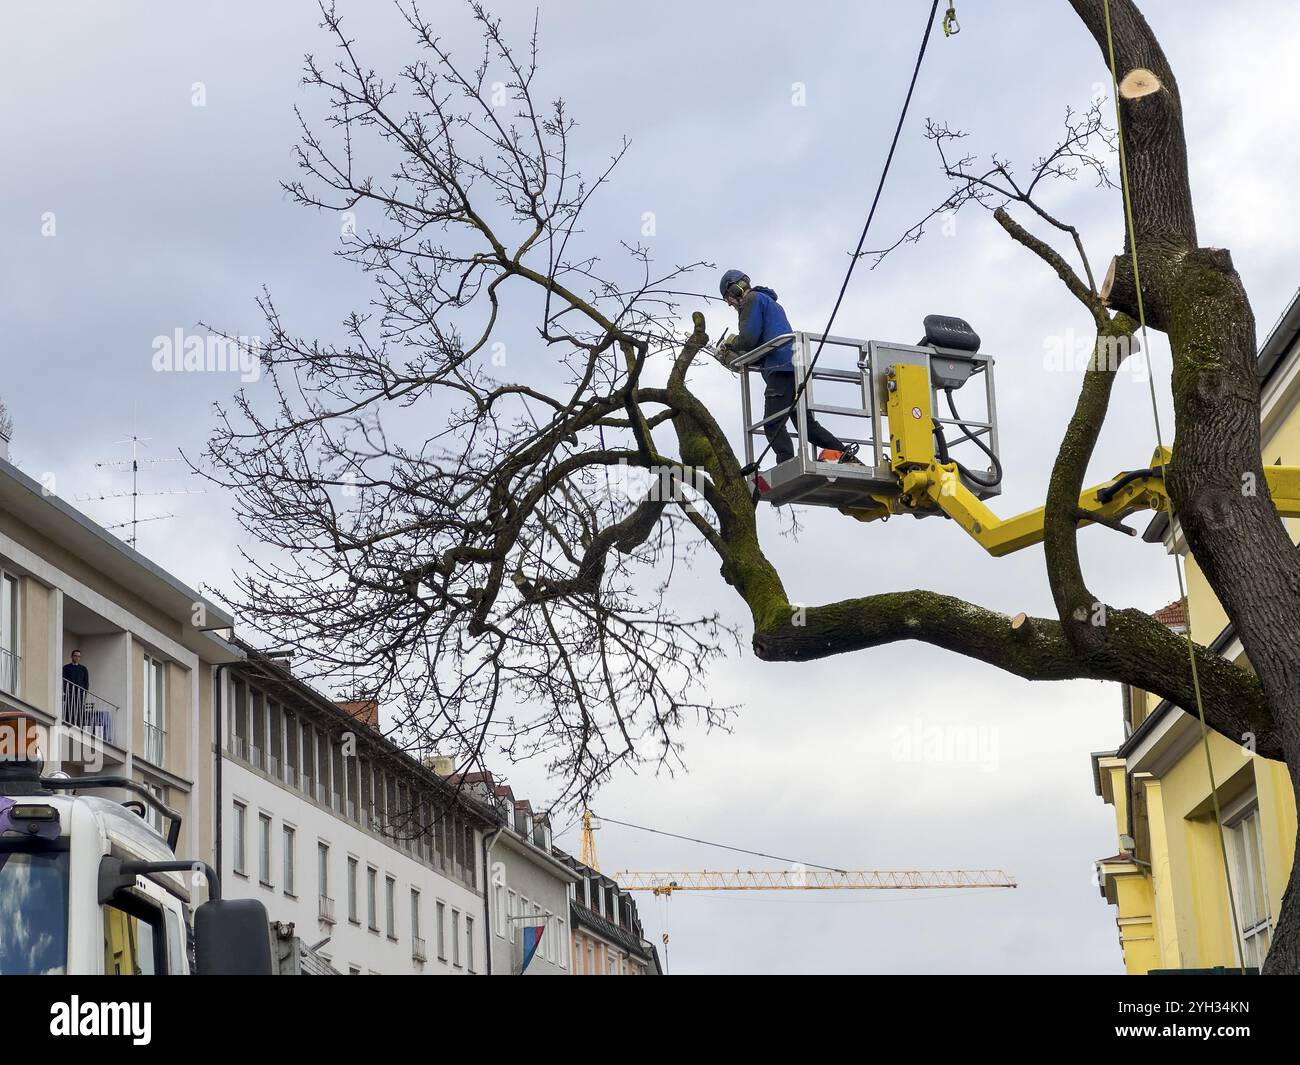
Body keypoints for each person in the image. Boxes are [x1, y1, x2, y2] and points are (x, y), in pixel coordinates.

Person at [715, 269, 858, 465]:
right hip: (793, 367)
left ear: (736, 288)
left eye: (728, 299)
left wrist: (731, 343)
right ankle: (847, 457)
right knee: (807, 426)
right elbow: (760, 346)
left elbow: (748, 340)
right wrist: (737, 359)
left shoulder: (752, 300)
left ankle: (786, 463)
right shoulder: (769, 302)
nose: (730, 304)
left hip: (781, 368)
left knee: (772, 423)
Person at [62, 649, 90, 728]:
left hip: (80, 695)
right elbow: (64, 681)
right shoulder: (66, 668)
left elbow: (86, 682)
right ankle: (68, 726)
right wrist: (67, 691)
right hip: (70, 694)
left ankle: (78, 727)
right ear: (71, 656)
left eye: (79, 656)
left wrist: (84, 693)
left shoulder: (83, 669)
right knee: (69, 711)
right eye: (75, 656)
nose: (77, 658)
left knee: (79, 713)